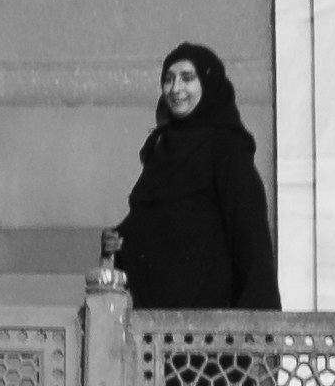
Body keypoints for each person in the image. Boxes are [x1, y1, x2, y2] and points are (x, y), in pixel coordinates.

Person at [100, 42, 281, 309]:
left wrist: (256, 325)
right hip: (154, 326)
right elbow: (162, 220)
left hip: (209, 330)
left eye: (187, 78)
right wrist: (119, 239)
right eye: (168, 80)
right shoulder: (161, 150)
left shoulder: (225, 147)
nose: (176, 89)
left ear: (208, 84)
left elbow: (249, 234)